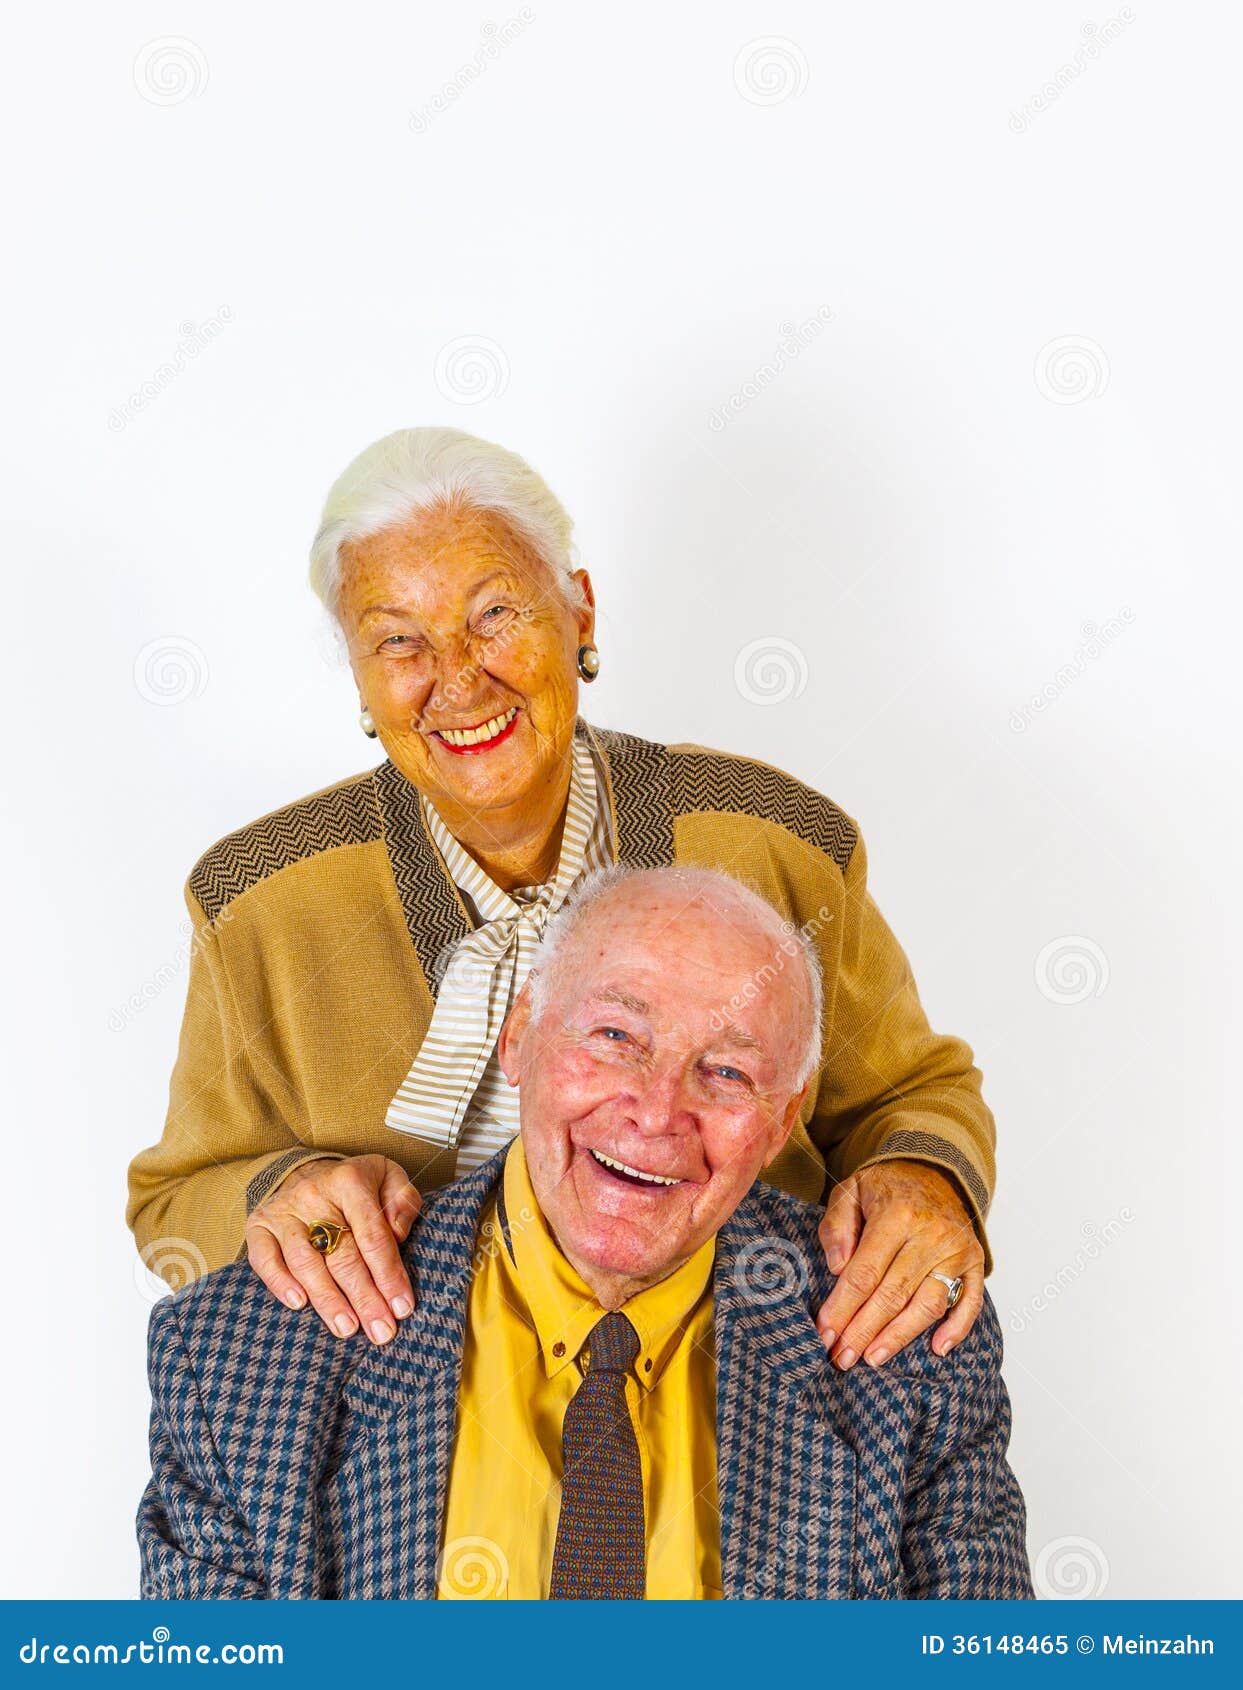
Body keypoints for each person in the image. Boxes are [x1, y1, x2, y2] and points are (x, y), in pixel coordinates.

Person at [127, 425, 994, 1374]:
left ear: (579, 612)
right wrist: (280, 1197)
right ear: (359, 675)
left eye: (495, 613)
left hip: (754, 1400)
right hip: (403, 1447)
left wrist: (920, 1176)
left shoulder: (772, 841)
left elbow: (910, 1093)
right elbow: (176, 1196)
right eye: (397, 641)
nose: (457, 680)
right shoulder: (261, 903)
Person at [138, 865, 1031, 1601]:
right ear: (518, 1035)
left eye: (724, 1071)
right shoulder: (234, 1359)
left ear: (785, 1117)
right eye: (614, 1035)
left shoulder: (912, 1347)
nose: (654, 1113)